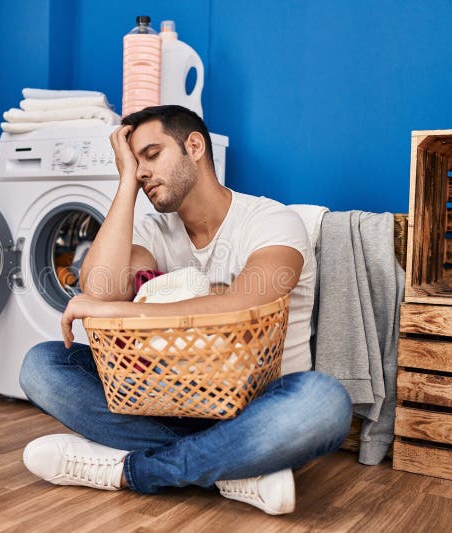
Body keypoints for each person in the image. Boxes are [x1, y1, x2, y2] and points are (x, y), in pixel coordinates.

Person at [19, 105, 352, 515]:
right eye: (133, 161)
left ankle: (127, 470)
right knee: (41, 365)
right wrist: (125, 183)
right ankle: (236, 469)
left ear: (194, 146)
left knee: (325, 401)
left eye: (152, 155)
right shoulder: (151, 232)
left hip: (263, 410)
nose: (142, 171)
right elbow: (100, 289)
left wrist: (120, 315)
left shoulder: (273, 221)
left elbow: (244, 303)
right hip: (165, 406)